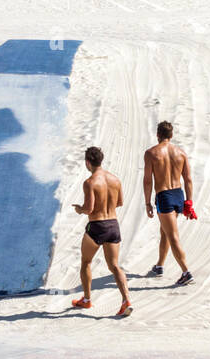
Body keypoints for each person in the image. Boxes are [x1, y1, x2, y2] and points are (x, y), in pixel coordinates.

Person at [70, 146, 131, 316]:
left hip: (97, 226)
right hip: (113, 225)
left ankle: (87, 300)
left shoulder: (90, 182)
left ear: (88, 162)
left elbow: (89, 209)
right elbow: (120, 202)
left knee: (86, 262)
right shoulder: (115, 180)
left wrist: (79, 209)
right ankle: (126, 300)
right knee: (114, 266)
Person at [143, 121, 196, 286]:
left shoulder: (151, 153)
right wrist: (188, 202)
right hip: (178, 194)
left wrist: (147, 203)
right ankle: (159, 266)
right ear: (171, 135)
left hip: (164, 196)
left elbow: (147, 181)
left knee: (172, 236)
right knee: (165, 231)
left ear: (157, 135)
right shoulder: (181, 153)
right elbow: (188, 179)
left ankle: (186, 272)